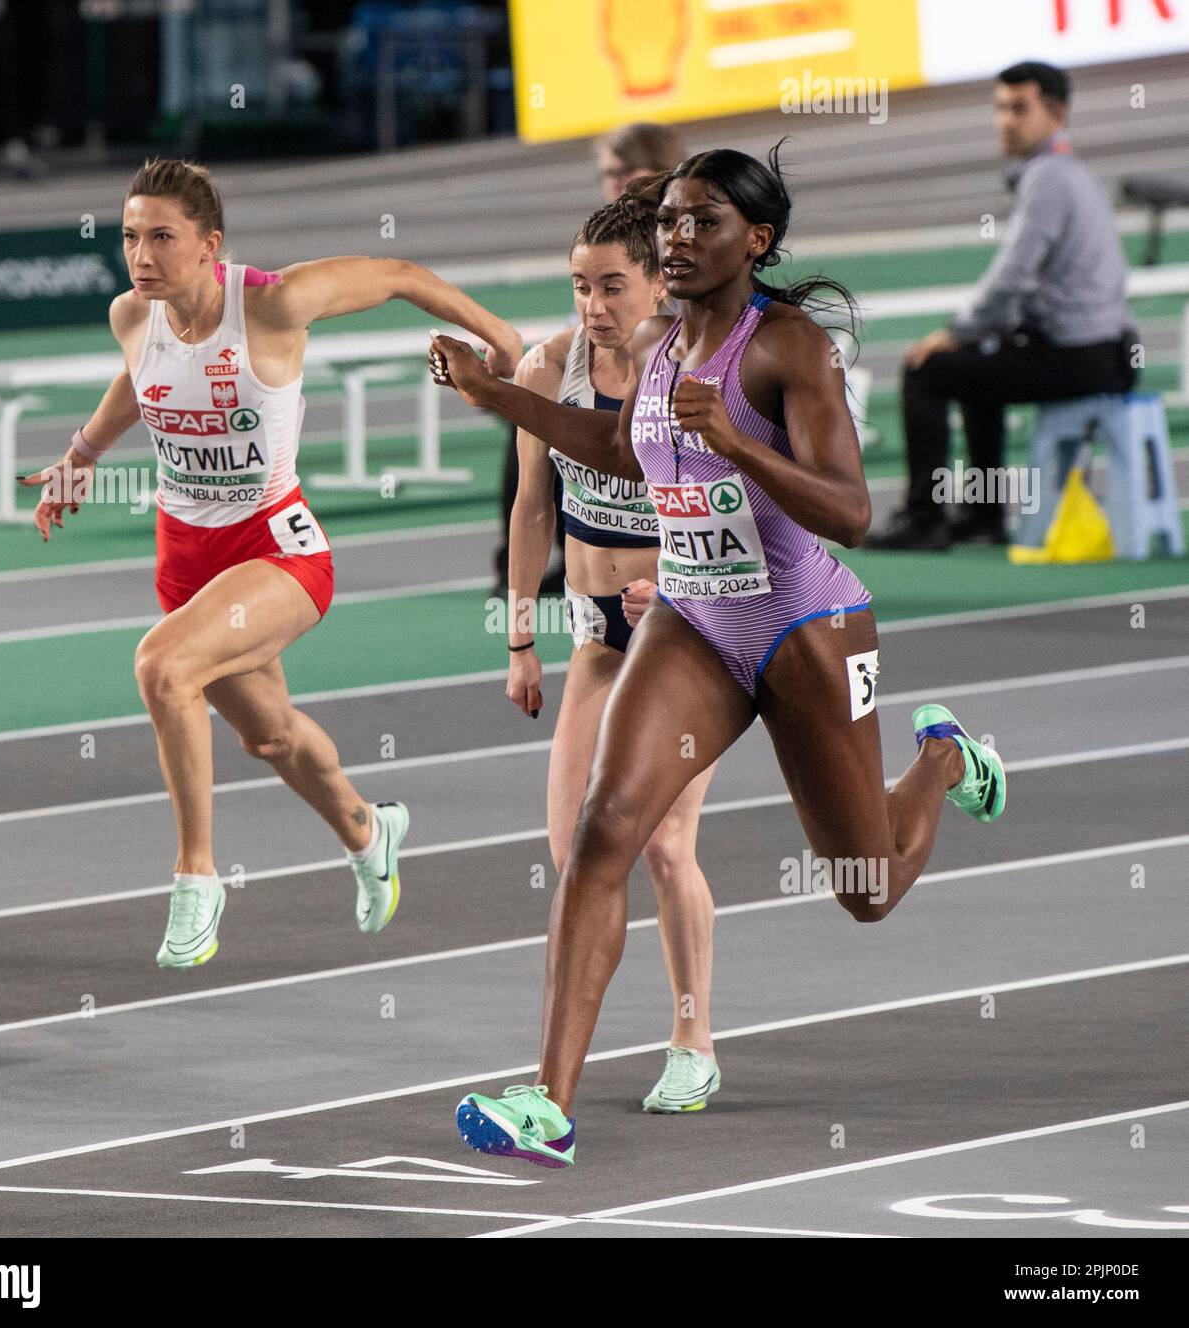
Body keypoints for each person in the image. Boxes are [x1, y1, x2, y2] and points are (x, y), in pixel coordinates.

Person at [430, 146, 1007, 1167]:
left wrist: (741, 445)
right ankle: (547, 1103)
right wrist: (497, 396)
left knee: (865, 885)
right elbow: (617, 450)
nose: (681, 239)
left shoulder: (786, 348)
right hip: (691, 616)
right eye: (671, 223)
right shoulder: (659, 347)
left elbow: (854, 511)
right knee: (606, 825)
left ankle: (946, 757)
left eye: (705, 222)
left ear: (759, 240)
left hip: (802, 627)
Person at [21, 158, 522, 969]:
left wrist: (499, 336)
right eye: (128, 237)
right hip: (185, 560)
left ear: (209, 244)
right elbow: (140, 378)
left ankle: (196, 878)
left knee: (161, 668)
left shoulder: (273, 302)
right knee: (273, 738)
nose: (141, 255)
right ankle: (368, 829)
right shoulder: (131, 315)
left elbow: (394, 273)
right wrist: (81, 453)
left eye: (161, 237)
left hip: (277, 550)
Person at [508, 185, 721, 1113]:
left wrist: (674, 585)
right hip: (598, 638)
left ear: (657, 287)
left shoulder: (692, 378)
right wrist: (521, 635)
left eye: (611, 287)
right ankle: (559, 1063)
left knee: (668, 845)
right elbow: (532, 507)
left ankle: (692, 1039)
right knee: (579, 854)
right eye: (579, 286)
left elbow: (740, 513)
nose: (593, 306)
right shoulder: (548, 366)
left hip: (690, 635)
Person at [868, 60, 1135, 551]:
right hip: (1107, 352)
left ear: (1056, 114)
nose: (1005, 120)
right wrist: (981, 334)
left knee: (926, 370)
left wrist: (957, 331)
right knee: (978, 368)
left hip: (1085, 357)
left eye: (1019, 108)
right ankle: (983, 516)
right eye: (999, 108)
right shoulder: (1070, 174)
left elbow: (1011, 277)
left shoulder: (1049, 178)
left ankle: (924, 518)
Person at [490, 122, 689, 596]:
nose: (615, 183)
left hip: (683, 578)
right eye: (608, 173)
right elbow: (589, 326)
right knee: (535, 429)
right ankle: (559, 554)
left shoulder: (692, 258)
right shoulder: (603, 244)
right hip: (599, 603)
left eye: (626, 171)